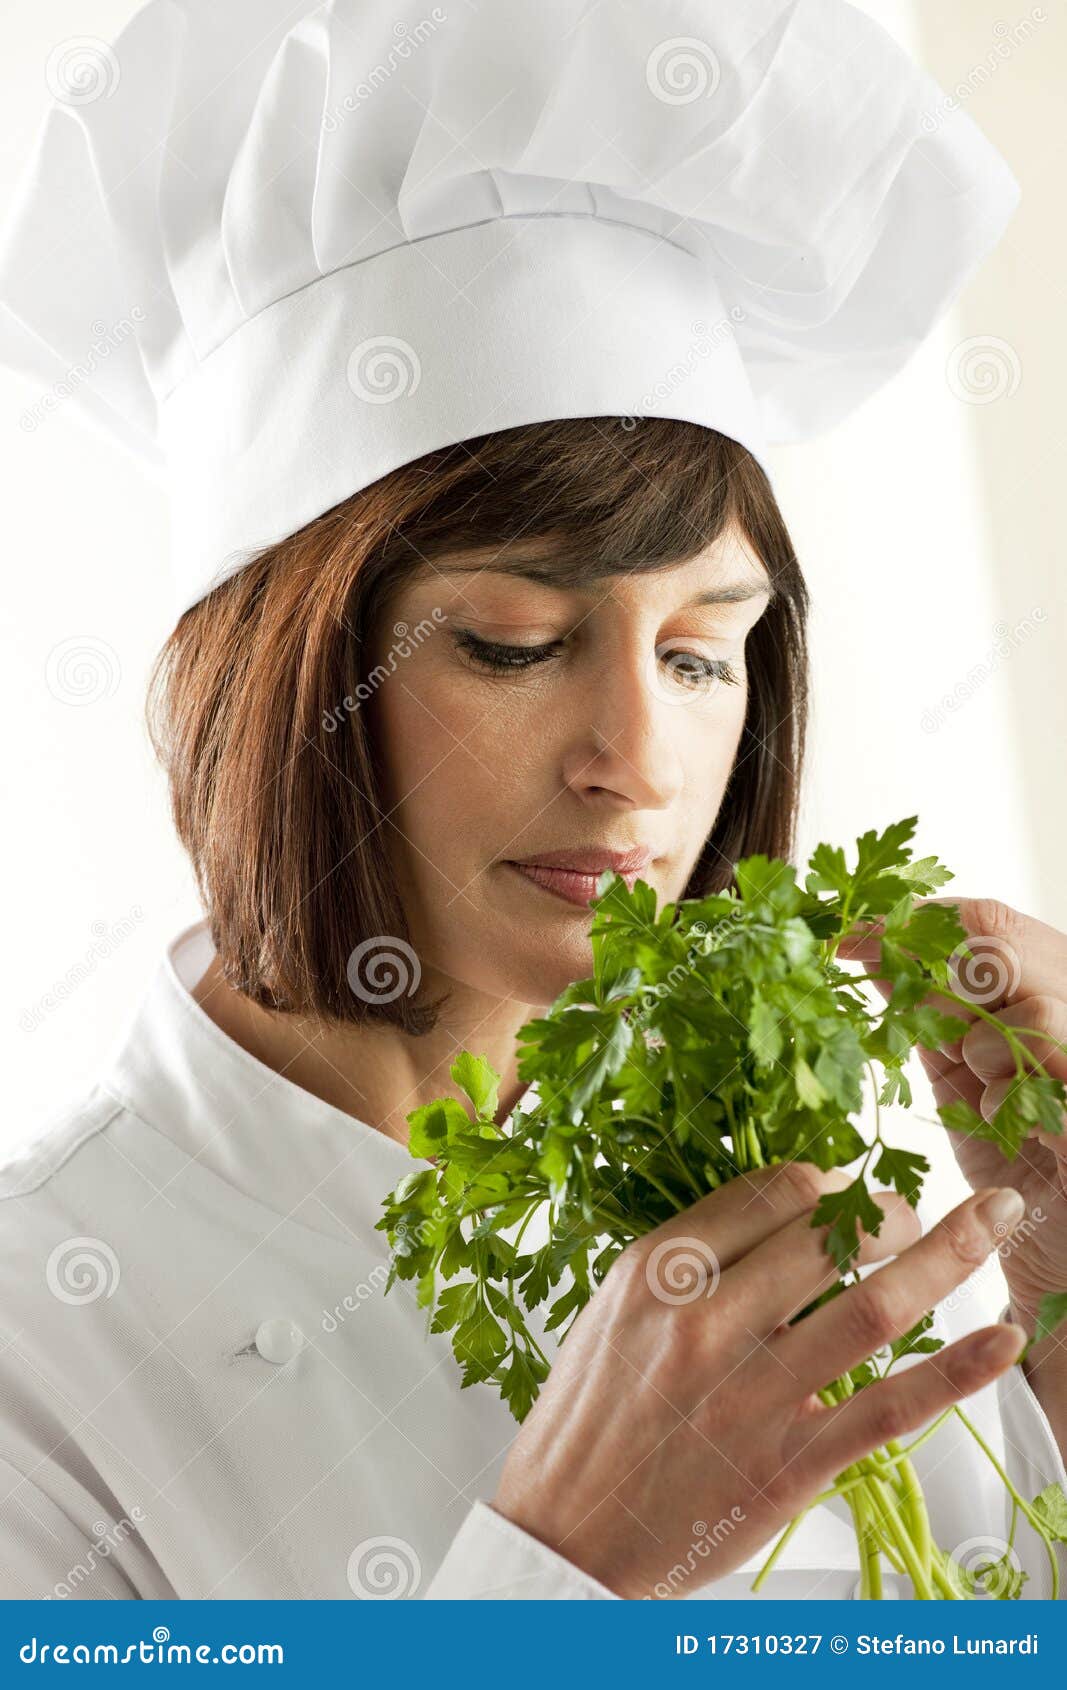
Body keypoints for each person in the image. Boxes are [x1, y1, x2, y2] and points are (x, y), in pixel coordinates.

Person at [1, 0, 1064, 1601]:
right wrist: (565, 1569)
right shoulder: (41, 1338)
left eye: (704, 655)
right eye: (515, 643)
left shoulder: (825, 1203)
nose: (635, 759)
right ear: (285, 678)